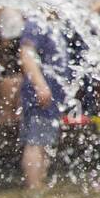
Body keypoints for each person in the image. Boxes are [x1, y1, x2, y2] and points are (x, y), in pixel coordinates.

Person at [18, 11, 70, 189]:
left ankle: (40, 181)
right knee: (36, 140)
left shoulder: (55, 26)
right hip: (41, 92)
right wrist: (40, 85)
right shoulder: (35, 23)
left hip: (51, 93)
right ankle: (34, 185)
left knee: (45, 140)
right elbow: (26, 53)